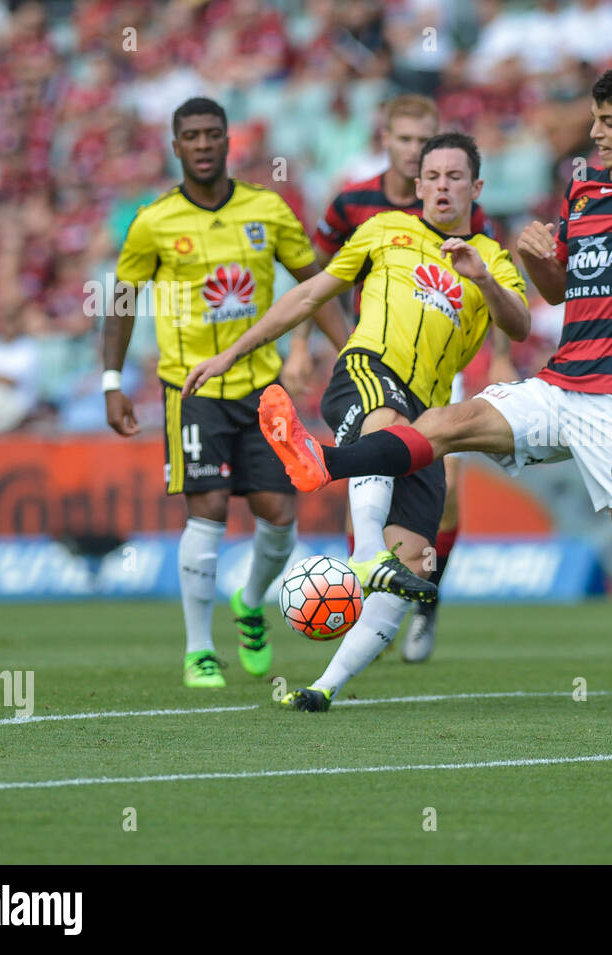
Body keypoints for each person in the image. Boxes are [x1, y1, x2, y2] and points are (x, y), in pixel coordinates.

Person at [253, 53, 612, 717]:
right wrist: (536, 260)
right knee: (447, 423)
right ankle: (325, 461)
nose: (597, 134)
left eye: (610, 123)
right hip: (560, 382)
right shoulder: (583, 194)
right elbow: (562, 290)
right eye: (594, 121)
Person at [184, 131, 530, 710]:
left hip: (432, 418)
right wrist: (231, 354)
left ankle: (324, 687)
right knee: (386, 416)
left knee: (416, 562)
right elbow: (309, 295)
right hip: (367, 372)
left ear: (476, 187)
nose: (443, 186)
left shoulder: (491, 257)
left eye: (455, 177)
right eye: (434, 177)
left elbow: (518, 325)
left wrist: (484, 279)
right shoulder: (381, 231)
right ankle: (364, 549)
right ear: (418, 185)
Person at [105, 97, 348, 688]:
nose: (204, 144)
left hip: (262, 387)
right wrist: (112, 381)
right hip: (191, 388)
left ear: (228, 141)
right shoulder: (154, 220)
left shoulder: (267, 208)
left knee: (280, 516)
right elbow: (122, 298)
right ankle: (198, 650)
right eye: (192, 136)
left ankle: (250, 602)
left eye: (213, 134)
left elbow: (314, 283)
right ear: (176, 146)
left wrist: (349, 351)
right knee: (207, 510)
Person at [310, 93, 515, 664]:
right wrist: (328, 344)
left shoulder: (467, 221)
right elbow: (314, 276)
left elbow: (495, 286)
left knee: (441, 502)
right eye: (403, 141)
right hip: (373, 361)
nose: (411, 152)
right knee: (373, 473)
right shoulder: (356, 206)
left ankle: (423, 602)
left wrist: (500, 354)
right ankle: (367, 588)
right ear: (388, 142)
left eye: (422, 141)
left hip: (434, 372)